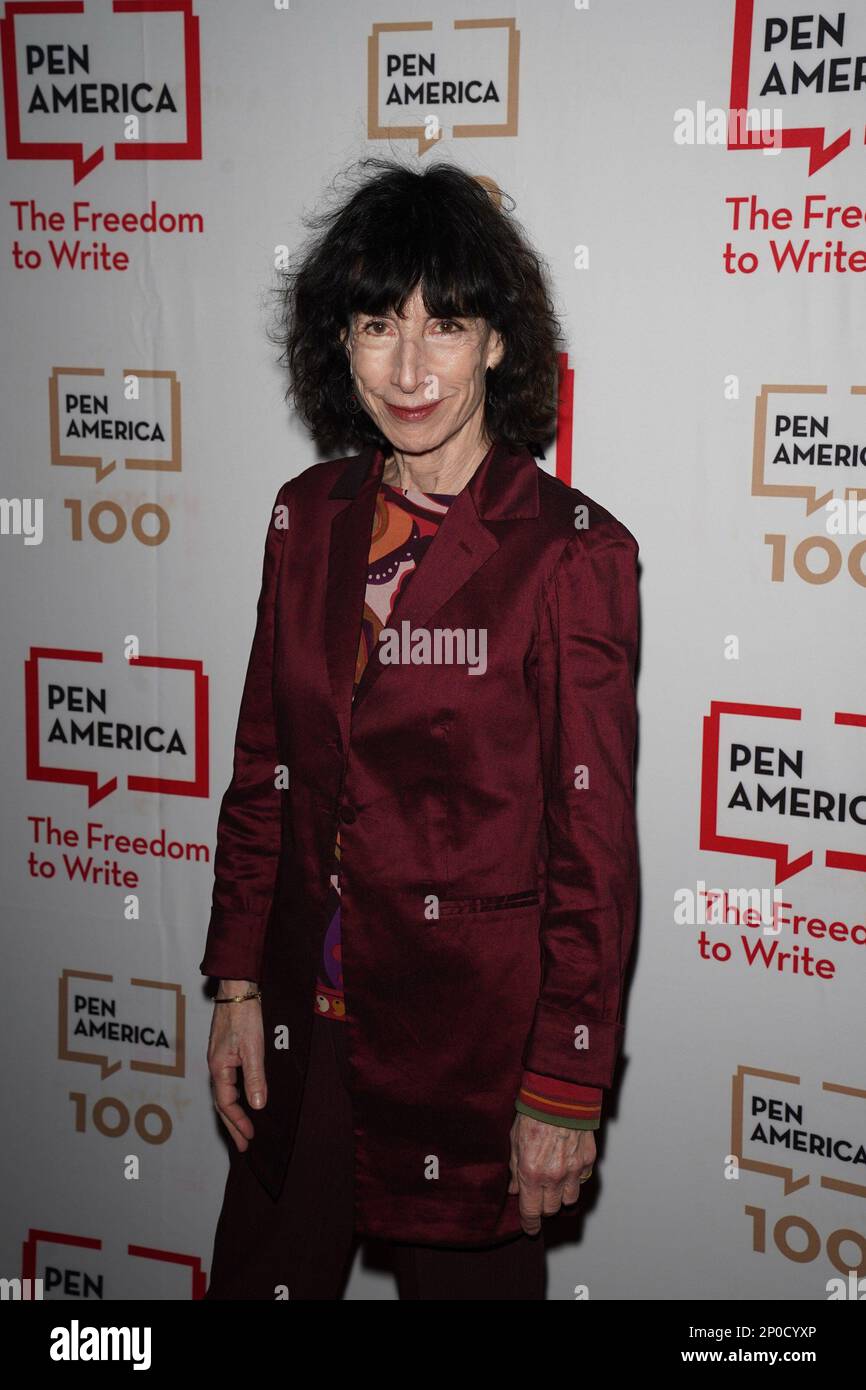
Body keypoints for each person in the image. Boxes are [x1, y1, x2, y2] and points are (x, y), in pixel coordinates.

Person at [200, 158, 640, 1300]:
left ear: (498, 343)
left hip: (471, 1057)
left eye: (444, 325)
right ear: (336, 342)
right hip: (305, 1029)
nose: (407, 367)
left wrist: (563, 1082)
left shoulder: (570, 553)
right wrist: (240, 985)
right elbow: (266, 771)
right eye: (375, 323)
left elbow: (589, 847)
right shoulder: (306, 516)